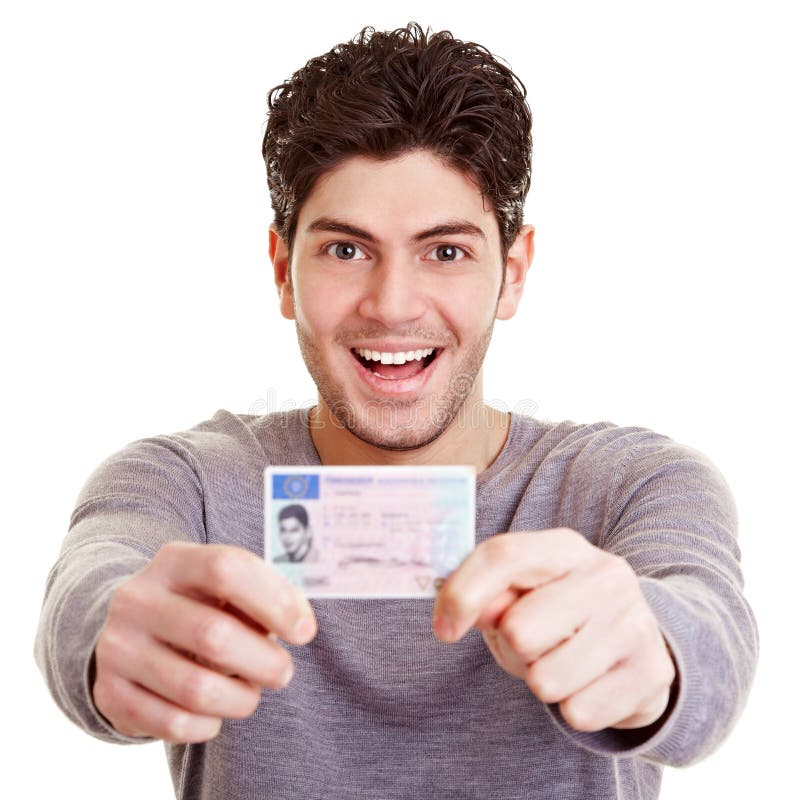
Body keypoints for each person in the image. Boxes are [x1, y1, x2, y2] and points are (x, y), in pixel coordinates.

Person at [35, 22, 757, 800]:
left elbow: (709, 635)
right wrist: (107, 637)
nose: (392, 305)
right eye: (346, 250)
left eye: (446, 251)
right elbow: (94, 578)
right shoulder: (190, 482)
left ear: (511, 275)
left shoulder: (631, 485)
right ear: (283, 270)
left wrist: (653, 655)